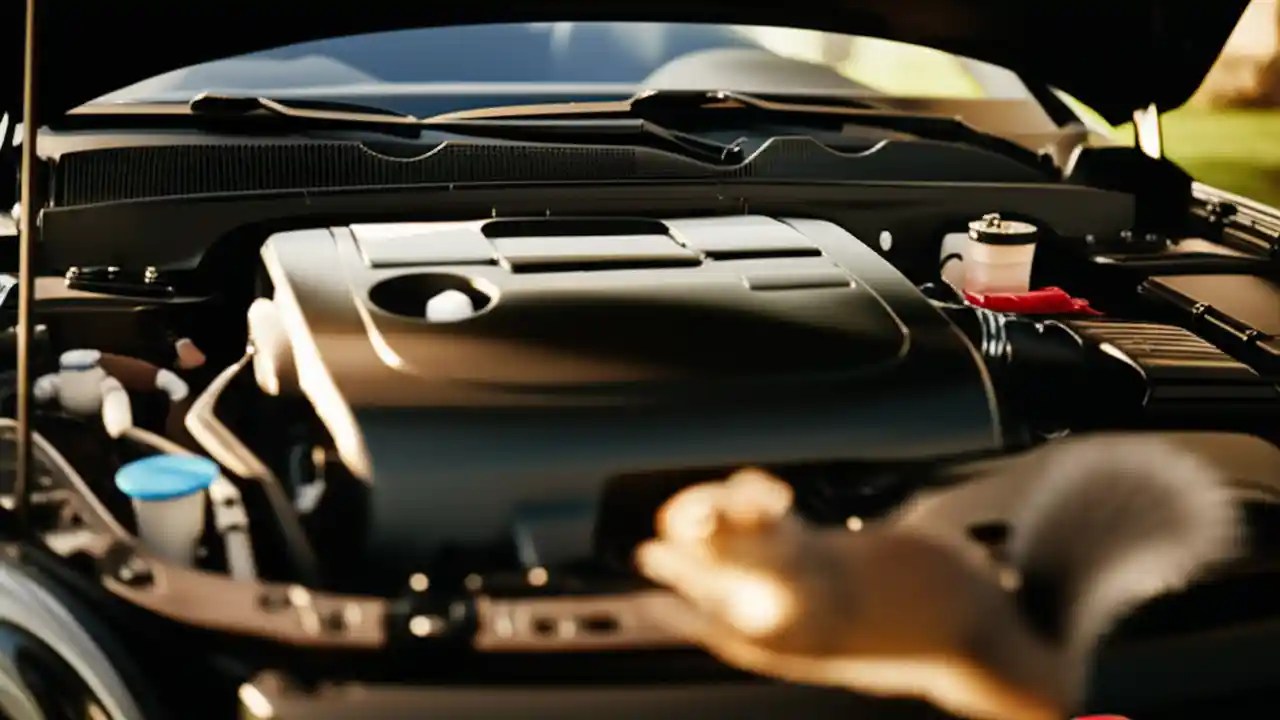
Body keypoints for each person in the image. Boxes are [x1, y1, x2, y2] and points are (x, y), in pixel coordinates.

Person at [636, 436, 1241, 720]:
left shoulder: (791, 589)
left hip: (1000, 667)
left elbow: (784, 641)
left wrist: (696, 614)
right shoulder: (780, 570)